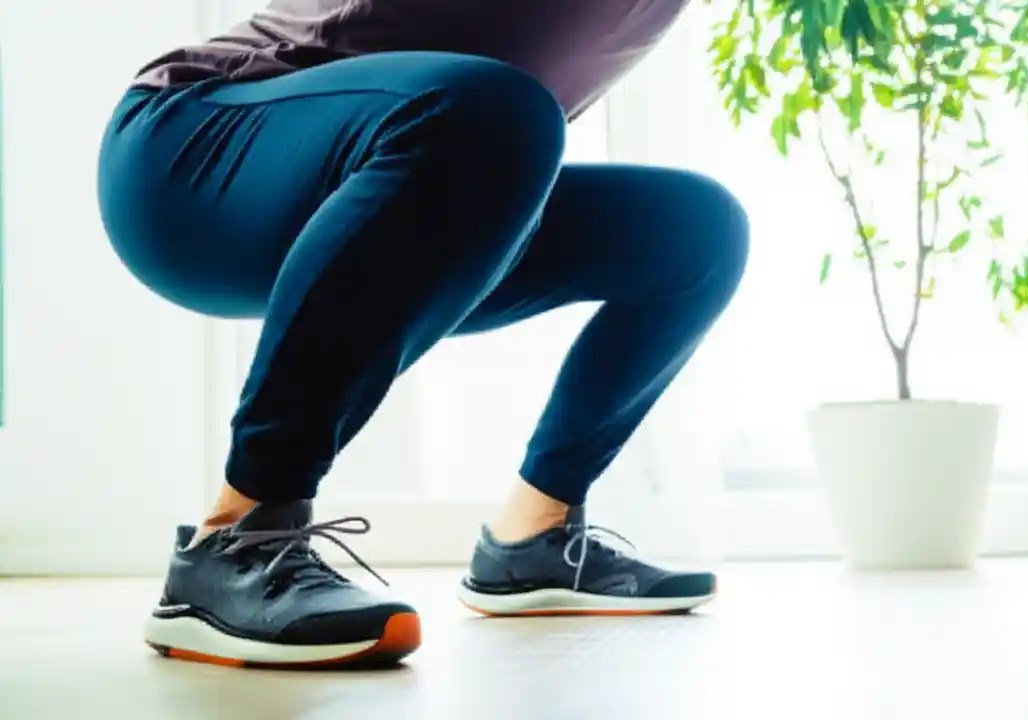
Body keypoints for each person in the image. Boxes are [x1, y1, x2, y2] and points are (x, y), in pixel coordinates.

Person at [96, 0, 748, 669]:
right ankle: (238, 537)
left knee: (694, 232)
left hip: (416, 172)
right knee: (498, 110)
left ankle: (534, 539)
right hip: (192, 150)